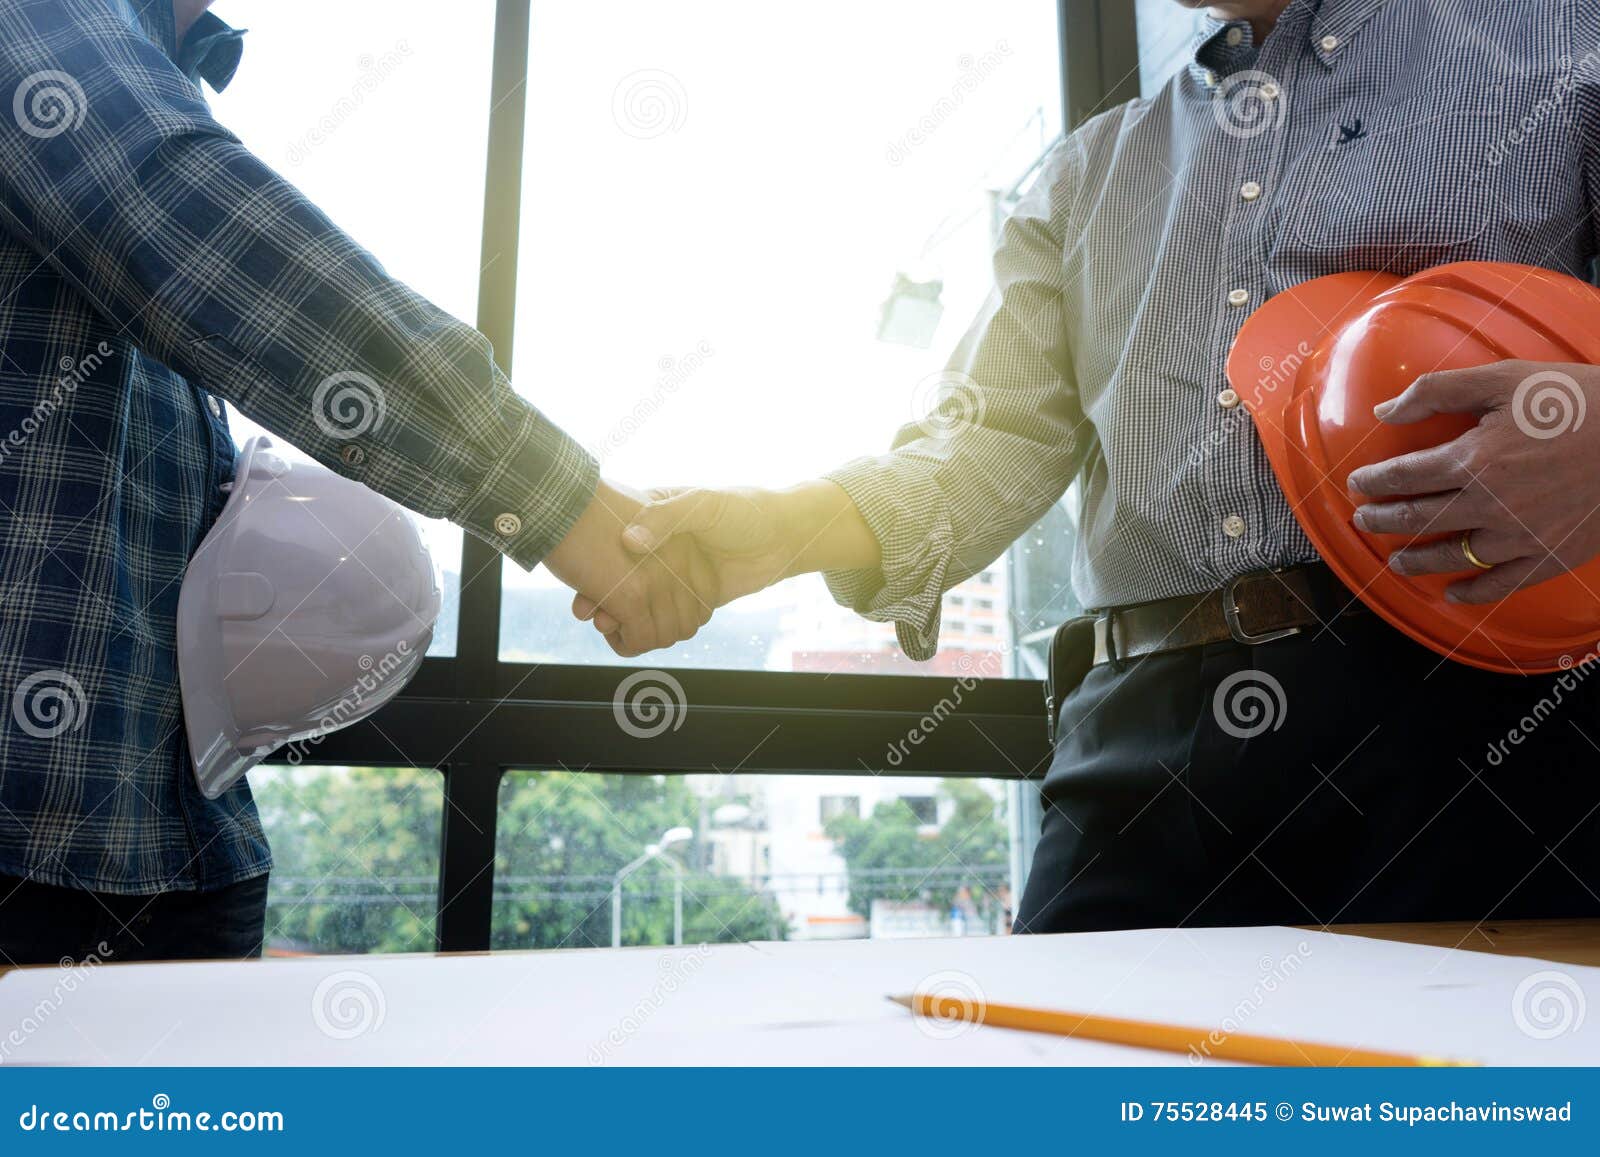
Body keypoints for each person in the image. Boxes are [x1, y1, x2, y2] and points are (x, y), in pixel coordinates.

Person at [607, 0, 1600, 933]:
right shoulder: (1079, 179)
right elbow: (986, 444)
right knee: (1076, 1104)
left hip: (1469, 724)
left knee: (1438, 1111)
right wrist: (783, 528)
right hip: (1135, 739)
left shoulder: (1564, 49)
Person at [0, 0, 707, 965]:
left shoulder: (162, 55)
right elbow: (196, 227)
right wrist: (569, 509)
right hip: (33, 850)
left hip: (171, 837)